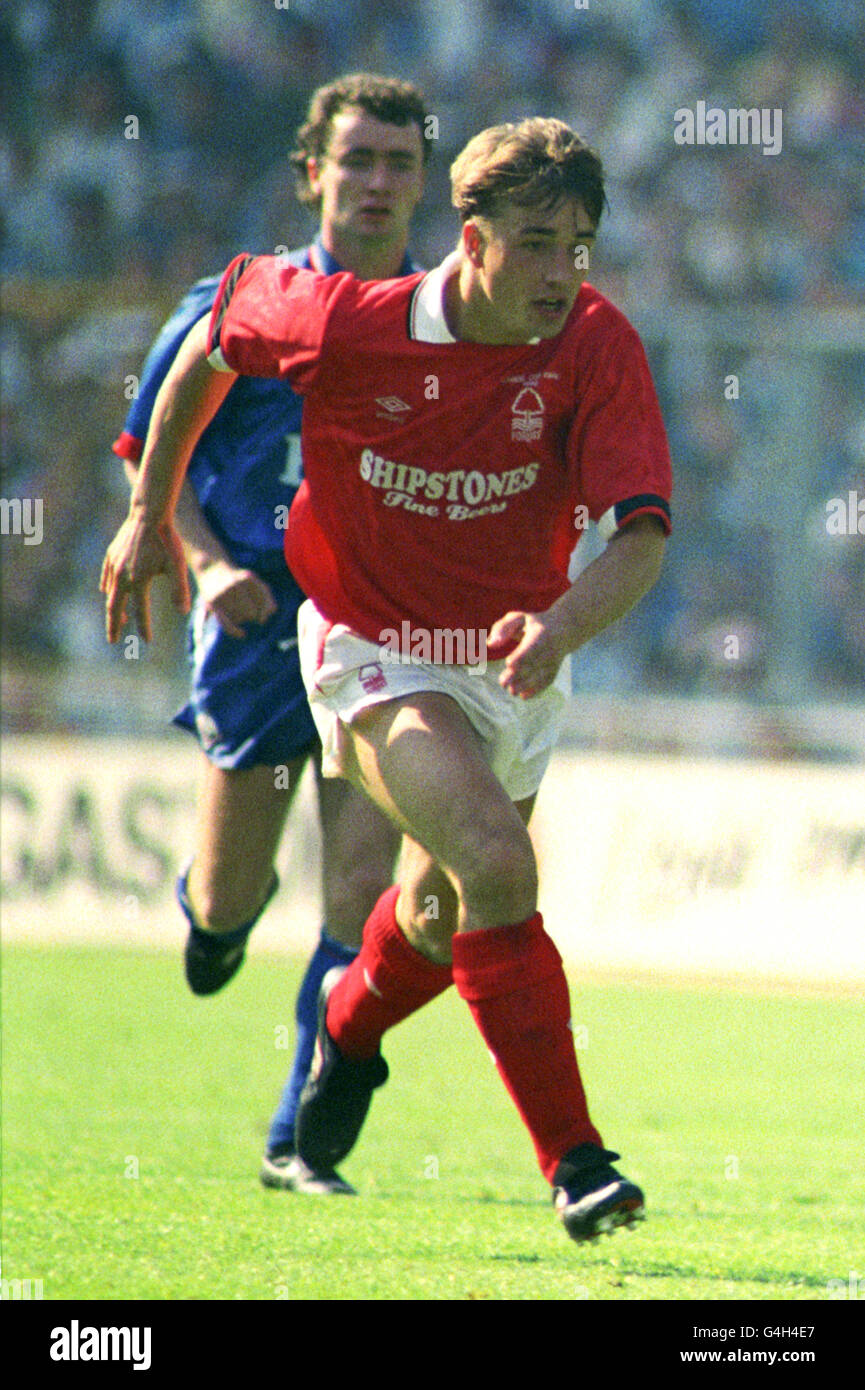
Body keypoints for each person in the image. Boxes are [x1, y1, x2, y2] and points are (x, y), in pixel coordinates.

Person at [101, 117, 672, 1243]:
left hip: (512, 661)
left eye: (581, 246)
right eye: (539, 242)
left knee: (431, 912)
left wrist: (557, 626)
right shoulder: (349, 320)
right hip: (368, 647)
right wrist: (148, 516)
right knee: (502, 868)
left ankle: (344, 1028)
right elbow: (212, 339)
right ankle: (578, 1164)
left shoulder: (598, 344)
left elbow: (642, 536)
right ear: (471, 237)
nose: (563, 272)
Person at [110, 73, 430, 1196]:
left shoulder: (443, 320)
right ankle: (213, 915)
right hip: (254, 628)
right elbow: (154, 447)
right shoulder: (242, 300)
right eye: (359, 160)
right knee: (229, 906)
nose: (379, 182)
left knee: (359, 888)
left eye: (399, 162)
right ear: (314, 174)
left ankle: (299, 1137)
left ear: (423, 181)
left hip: (379, 636)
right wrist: (200, 559)